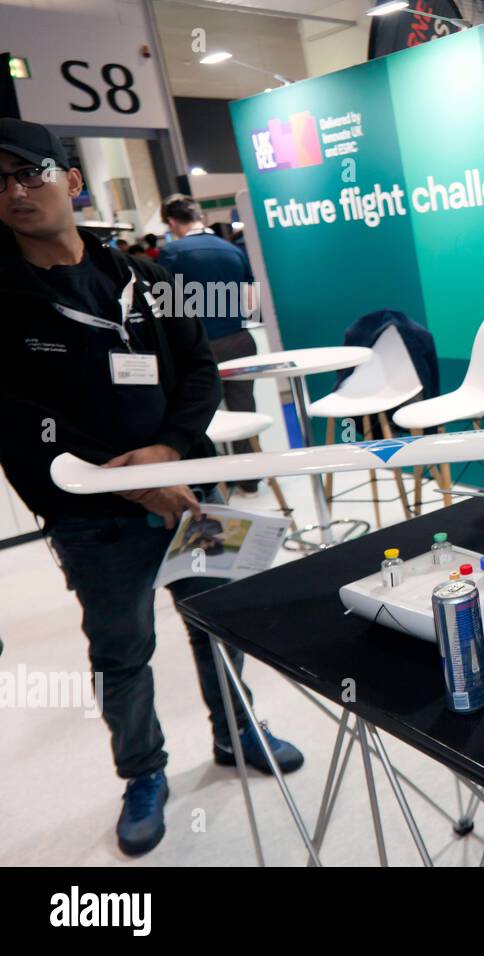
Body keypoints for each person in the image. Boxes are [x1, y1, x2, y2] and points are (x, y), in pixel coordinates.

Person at [0, 118, 304, 858]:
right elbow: (18, 415)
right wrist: (126, 479)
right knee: (121, 651)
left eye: (28, 173)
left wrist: (168, 453)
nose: (14, 192)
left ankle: (238, 733)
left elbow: (199, 371)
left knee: (219, 617)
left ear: (71, 181)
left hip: (191, 492)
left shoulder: (147, 277)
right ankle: (142, 774)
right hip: (88, 515)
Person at [158, 194, 261, 483]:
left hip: (199, 346)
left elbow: (167, 306)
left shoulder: (173, 253)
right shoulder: (231, 249)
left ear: (172, 222)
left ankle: (210, 480)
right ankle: (251, 478)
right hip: (239, 339)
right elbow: (252, 301)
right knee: (244, 409)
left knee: (199, 416)